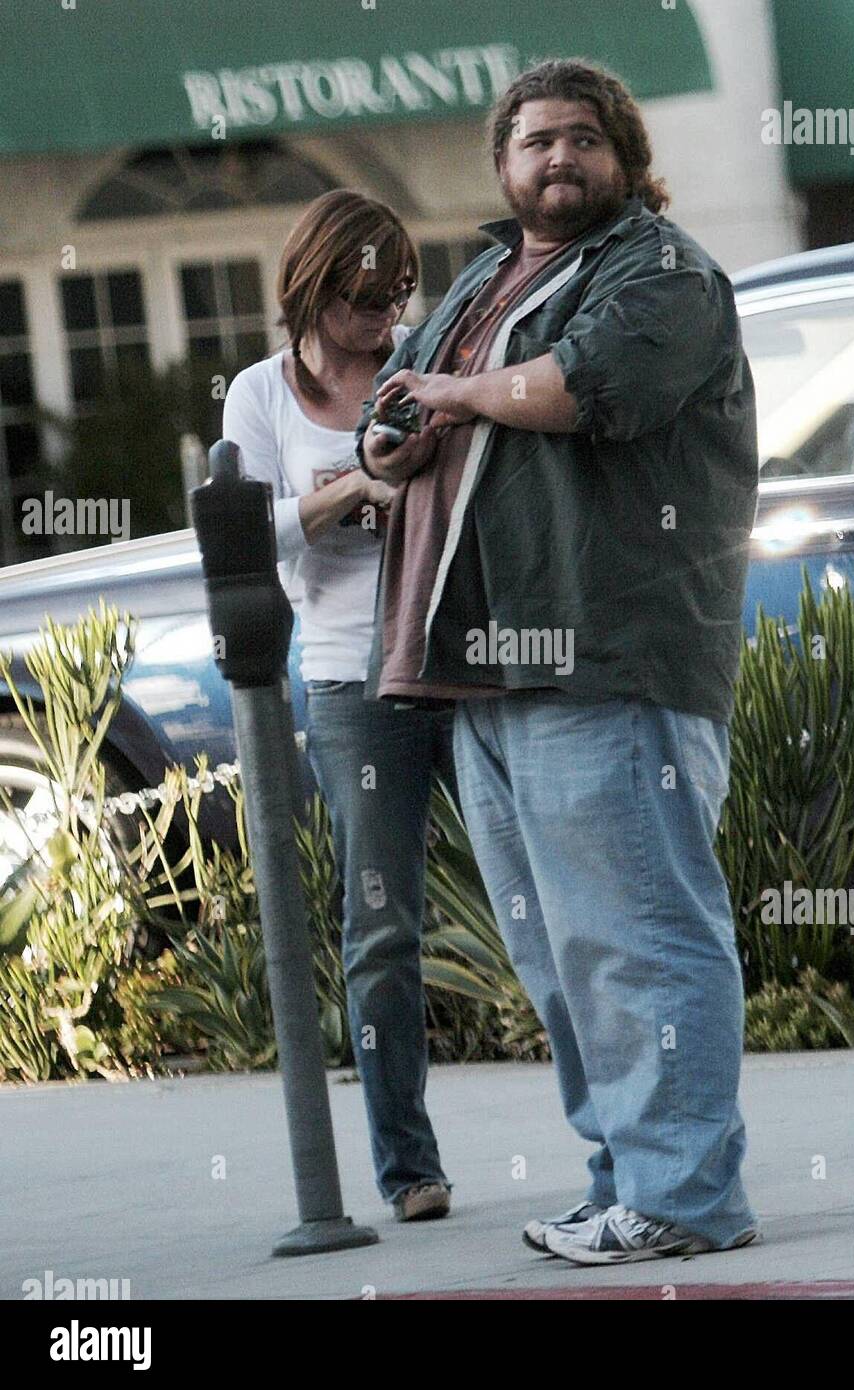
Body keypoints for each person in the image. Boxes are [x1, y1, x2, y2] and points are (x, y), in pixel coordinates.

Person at [355, 60, 761, 1264]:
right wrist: (391, 434)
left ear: (626, 160)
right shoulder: (483, 279)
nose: (560, 159)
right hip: (478, 665)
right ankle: (624, 1178)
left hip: (606, 653)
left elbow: (591, 386)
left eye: (586, 139)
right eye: (537, 141)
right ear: (504, 164)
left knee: (640, 934)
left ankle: (687, 1195)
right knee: (559, 951)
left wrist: (454, 393)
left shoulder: (663, 271)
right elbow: (401, 407)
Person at [223, 190, 455, 1223]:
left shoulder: (425, 359)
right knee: (381, 926)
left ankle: (615, 1140)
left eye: (394, 298)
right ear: (311, 292)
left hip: (460, 648)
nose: (380, 322)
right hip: (350, 671)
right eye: (363, 302)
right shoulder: (259, 395)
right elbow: (243, 533)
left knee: (541, 896)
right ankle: (408, 1166)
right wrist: (351, 487)